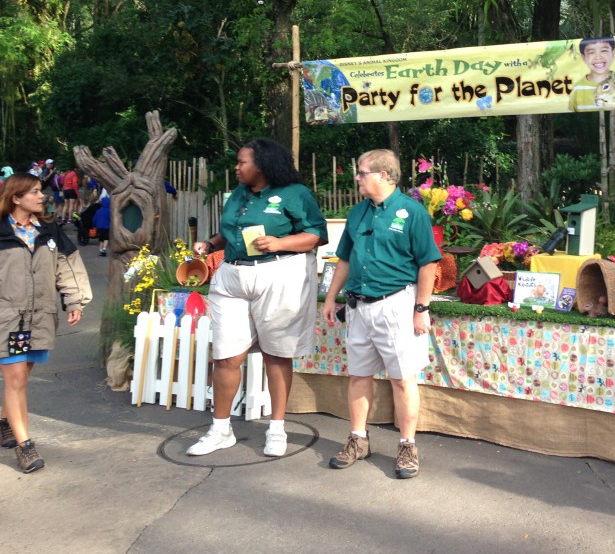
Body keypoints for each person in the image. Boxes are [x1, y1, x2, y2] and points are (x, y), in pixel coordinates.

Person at [188, 138, 327, 458]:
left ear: (261, 165)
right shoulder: (237, 194)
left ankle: (277, 429)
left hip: (277, 275)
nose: (236, 168)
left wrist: (279, 243)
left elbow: (316, 234)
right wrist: (210, 244)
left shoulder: (295, 194)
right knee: (225, 356)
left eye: (242, 163)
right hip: (232, 276)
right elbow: (231, 232)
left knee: (276, 354)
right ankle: (221, 429)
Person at [0, 173, 92, 473]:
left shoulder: (49, 231)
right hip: (2, 320)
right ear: (16, 198)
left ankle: (3, 423)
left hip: (38, 319)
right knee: (15, 380)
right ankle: (25, 446)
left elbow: (68, 266)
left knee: (21, 377)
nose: (42, 197)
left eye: (41, 191)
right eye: (35, 192)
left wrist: (74, 300)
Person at [321, 149, 441, 479]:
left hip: (397, 305)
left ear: (384, 176)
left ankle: (407, 446)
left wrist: (421, 309)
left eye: (362, 173)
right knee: (358, 375)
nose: (357, 178)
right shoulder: (357, 213)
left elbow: (428, 263)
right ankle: (358, 440)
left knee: (402, 379)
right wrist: (331, 297)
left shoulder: (412, 212)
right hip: (358, 307)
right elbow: (344, 258)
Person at [568, 37, 615, 112]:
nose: (598, 57)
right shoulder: (577, 88)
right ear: (583, 57)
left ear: (613, 53)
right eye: (591, 52)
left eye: (604, 51)